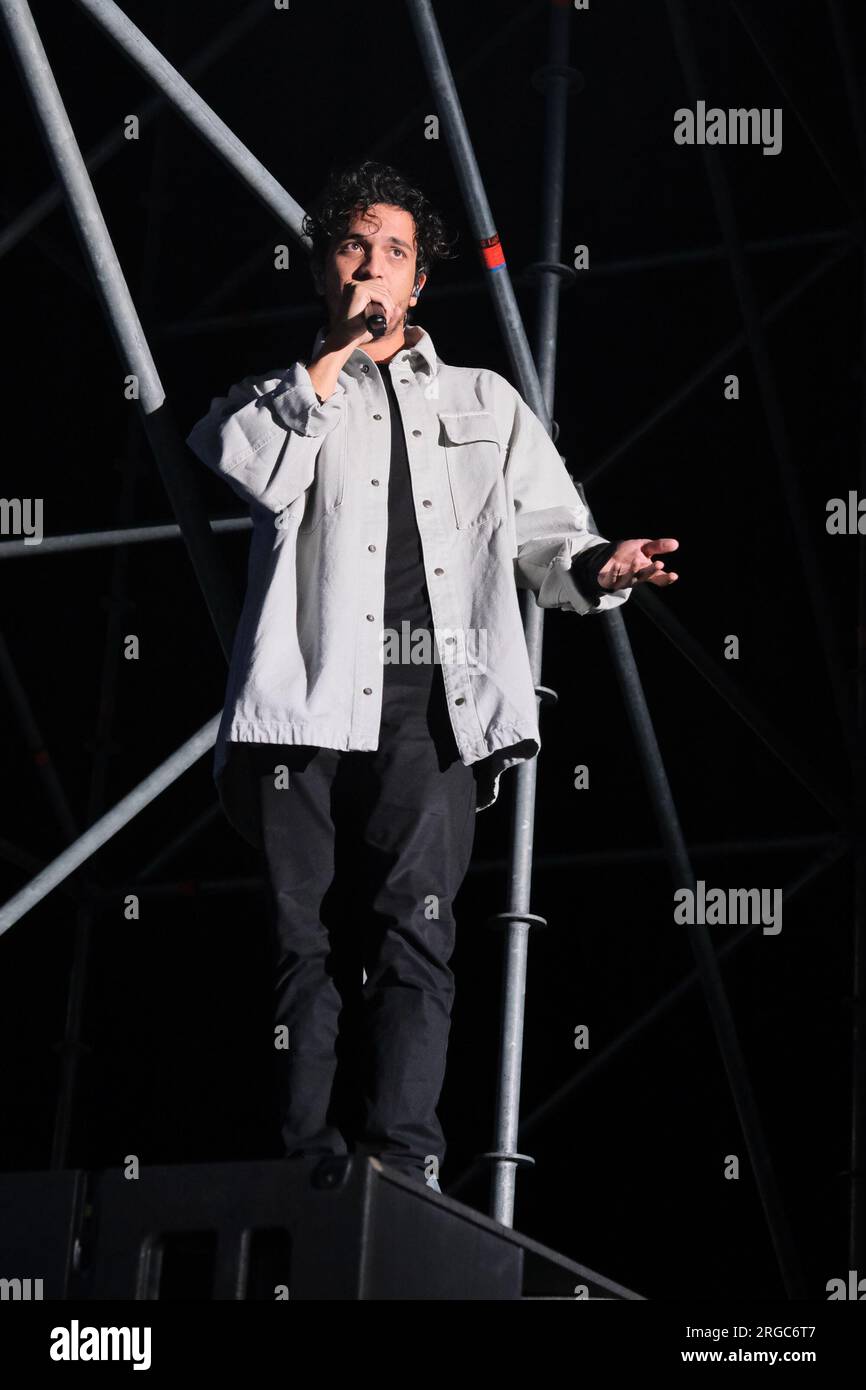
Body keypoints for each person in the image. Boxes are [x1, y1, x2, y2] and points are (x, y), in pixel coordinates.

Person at [185, 160, 679, 1194]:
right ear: (327, 268)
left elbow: (551, 534)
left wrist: (602, 566)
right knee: (298, 943)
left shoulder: (483, 401)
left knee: (416, 939)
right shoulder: (281, 394)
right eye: (354, 246)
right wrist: (327, 362)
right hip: (303, 706)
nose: (372, 265)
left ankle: (403, 1161)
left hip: (434, 709)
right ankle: (304, 1166)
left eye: (395, 252)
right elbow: (242, 463)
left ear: (420, 282)